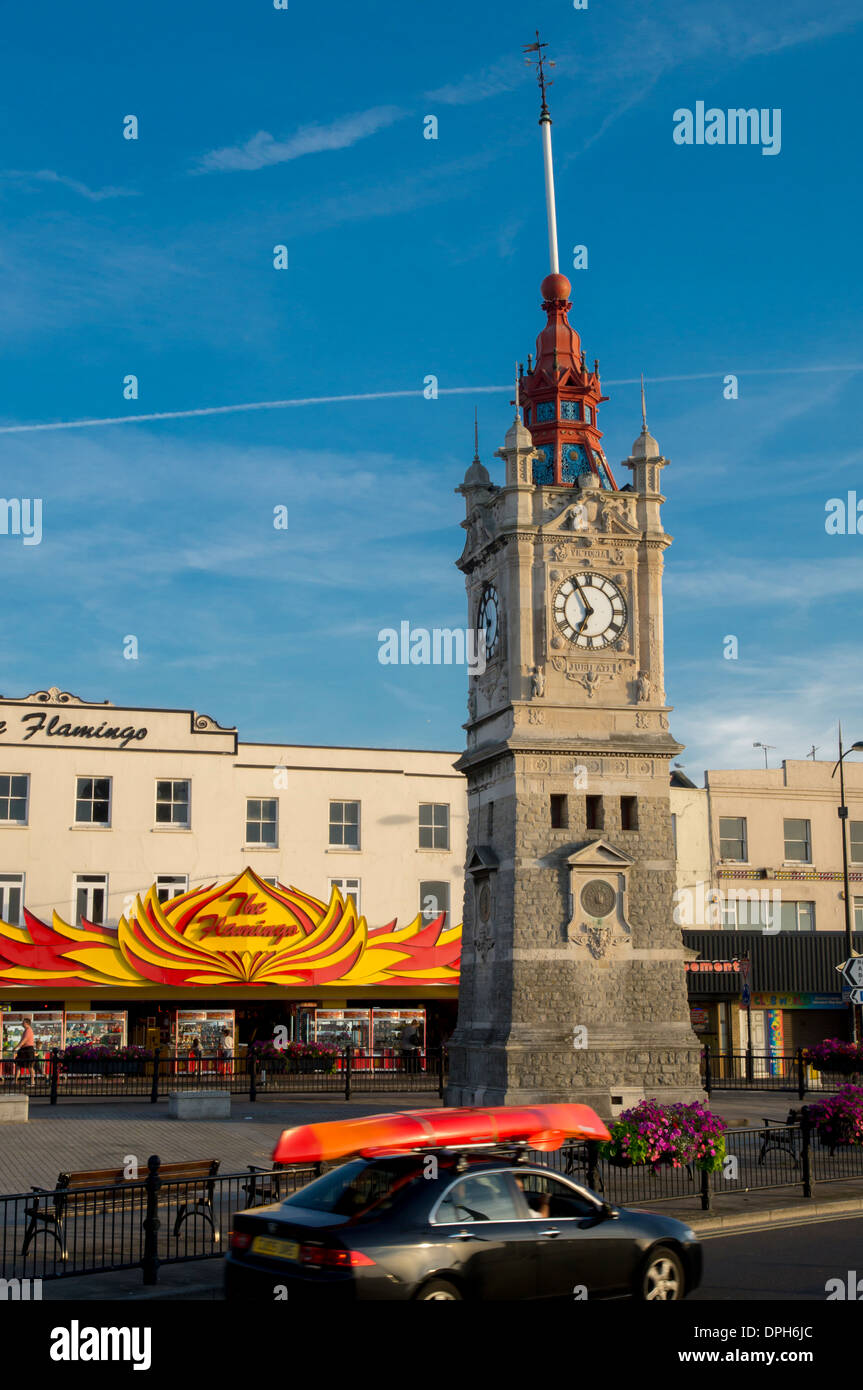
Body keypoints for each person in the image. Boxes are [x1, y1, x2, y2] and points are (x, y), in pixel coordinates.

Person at [15, 1018, 36, 1085]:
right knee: (18, 1064)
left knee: (30, 1066)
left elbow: (24, 1040)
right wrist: (18, 1047)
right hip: (24, 1049)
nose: (22, 1023)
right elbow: (22, 1041)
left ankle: (32, 1081)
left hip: (28, 1049)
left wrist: (16, 1047)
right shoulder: (26, 1030)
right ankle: (15, 1080)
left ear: (27, 1023)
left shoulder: (28, 1030)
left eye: (23, 1022)